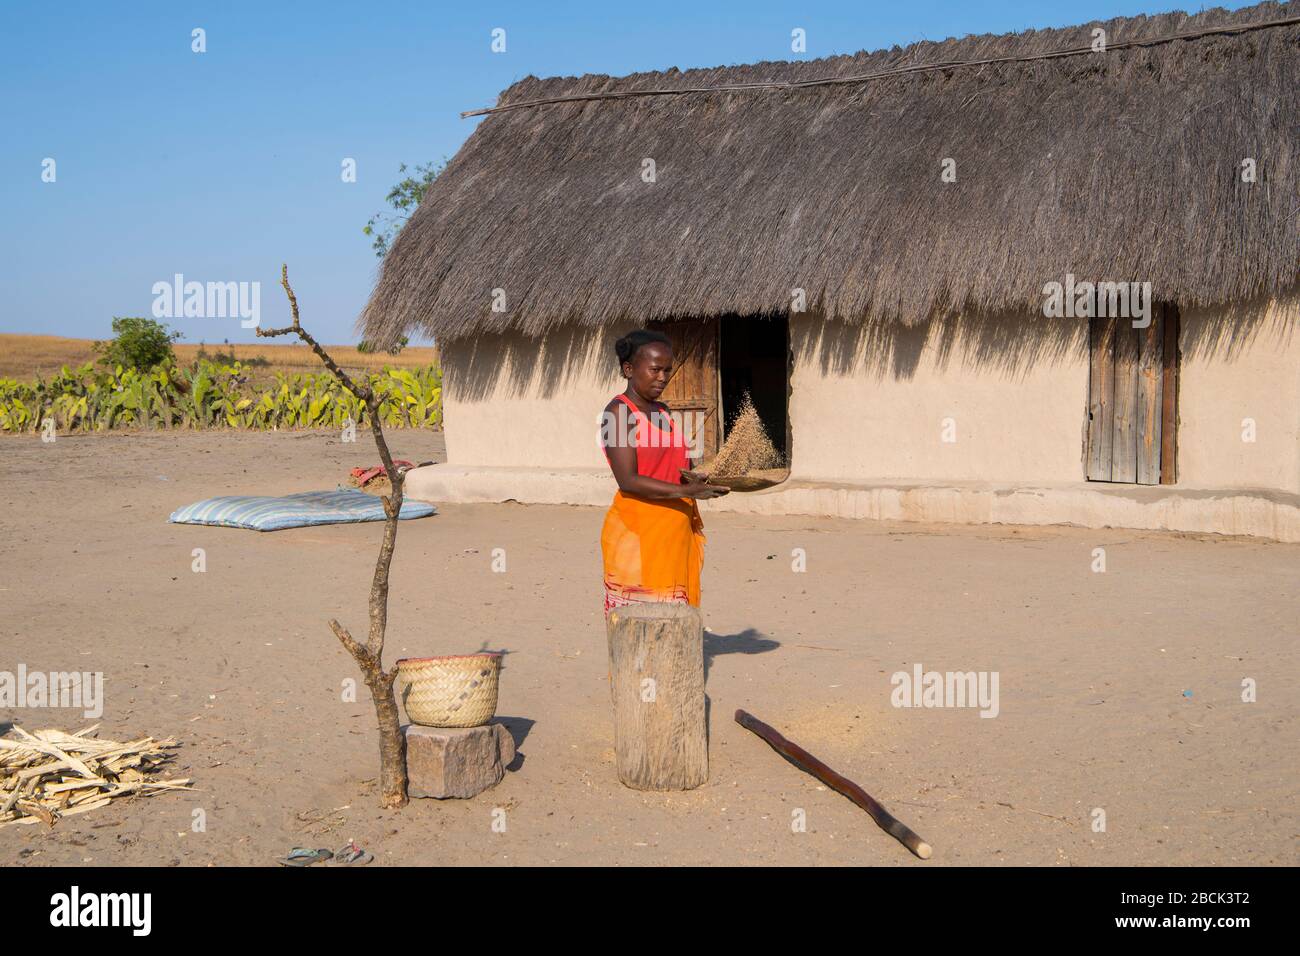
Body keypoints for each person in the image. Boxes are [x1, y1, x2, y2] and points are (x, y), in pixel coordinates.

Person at [599, 329, 729, 617]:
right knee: (642, 626)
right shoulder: (618, 414)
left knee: (673, 623)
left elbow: (678, 467)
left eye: (667, 370)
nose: (663, 377)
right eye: (655, 369)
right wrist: (687, 492)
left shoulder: (663, 412)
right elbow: (628, 480)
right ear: (629, 369)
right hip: (639, 533)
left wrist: (705, 478)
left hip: (674, 531)